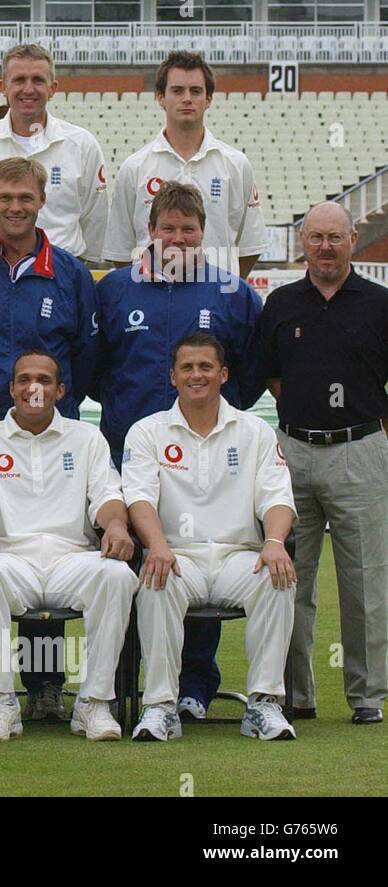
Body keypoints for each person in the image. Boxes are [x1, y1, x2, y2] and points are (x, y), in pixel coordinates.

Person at [92, 180, 264, 721]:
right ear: (150, 232)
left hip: (204, 454)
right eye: (169, 228)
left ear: (203, 234)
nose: (178, 237)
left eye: (189, 229)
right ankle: (128, 681)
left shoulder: (232, 292)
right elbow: (94, 370)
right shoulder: (117, 289)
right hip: (132, 448)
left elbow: (252, 370)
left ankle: (194, 685)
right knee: (135, 563)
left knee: (199, 553)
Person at [0, 156, 98, 719]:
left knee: (43, 545)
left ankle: (46, 685)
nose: (14, 207)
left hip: (52, 435)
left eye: (24, 198)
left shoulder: (72, 274)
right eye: (4, 197)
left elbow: (84, 355)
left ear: (40, 200)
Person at [125, 332, 298, 742]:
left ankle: (264, 704)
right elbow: (139, 498)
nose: (196, 375)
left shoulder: (255, 431)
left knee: (278, 577)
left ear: (223, 374)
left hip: (239, 555)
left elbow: (277, 497)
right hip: (178, 555)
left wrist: (274, 543)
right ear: (172, 376)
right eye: (187, 367)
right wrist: (158, 546)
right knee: (155, 578)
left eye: (205, 367)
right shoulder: (147, 432)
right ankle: (160, 706)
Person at [0, 351, 138, 742]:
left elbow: (106, 495)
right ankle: (0, 701)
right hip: (9, 558)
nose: (33, 387)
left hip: (71, 557)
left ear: (60, 390)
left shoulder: (86, 437)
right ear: (11, 389)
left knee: (117, 576)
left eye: (43, 380)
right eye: (23, 379)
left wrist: (117, 526)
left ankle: (94, 703)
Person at [262, 201, 388, 725]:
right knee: (291, 579)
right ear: (302, 241)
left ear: (353, 238)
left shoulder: (381, 303)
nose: (326, 247)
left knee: (365, 581)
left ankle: (367, 696)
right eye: (316, 238)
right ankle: (297, 693)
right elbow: (271, 376)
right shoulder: (282, 304)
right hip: (293, 452)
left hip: (360, 450)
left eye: (335, 237)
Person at [103, 51, 266, 277]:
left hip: (214, 302)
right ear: (160, 97)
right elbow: (120, 250)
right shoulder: (134, 168)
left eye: (196, 91)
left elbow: (250, 246)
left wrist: (221, 290)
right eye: (177, 90)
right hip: (152, 300)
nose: (187, 98)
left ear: (208, 99)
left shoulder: (236, 165)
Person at [0, 43, 108, 263]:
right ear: (3, 86)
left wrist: (77, 270)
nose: (28, 89)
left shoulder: (82, 145)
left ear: (53, 88)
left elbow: (95, 219)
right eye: (19, 80)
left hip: (61, 274)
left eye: (38, 80)